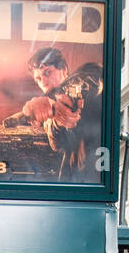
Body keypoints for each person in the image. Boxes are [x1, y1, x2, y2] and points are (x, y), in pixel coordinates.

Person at [10, 46, 104, 182]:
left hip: (98, 180)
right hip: (75, 182)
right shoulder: (50, 114)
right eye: (38, 79)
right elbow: (57, 141)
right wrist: (55, 115)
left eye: (48, 73)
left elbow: (90, 81)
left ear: (64, 69)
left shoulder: (88, 73)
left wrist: (54, 101)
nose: (44, 82)